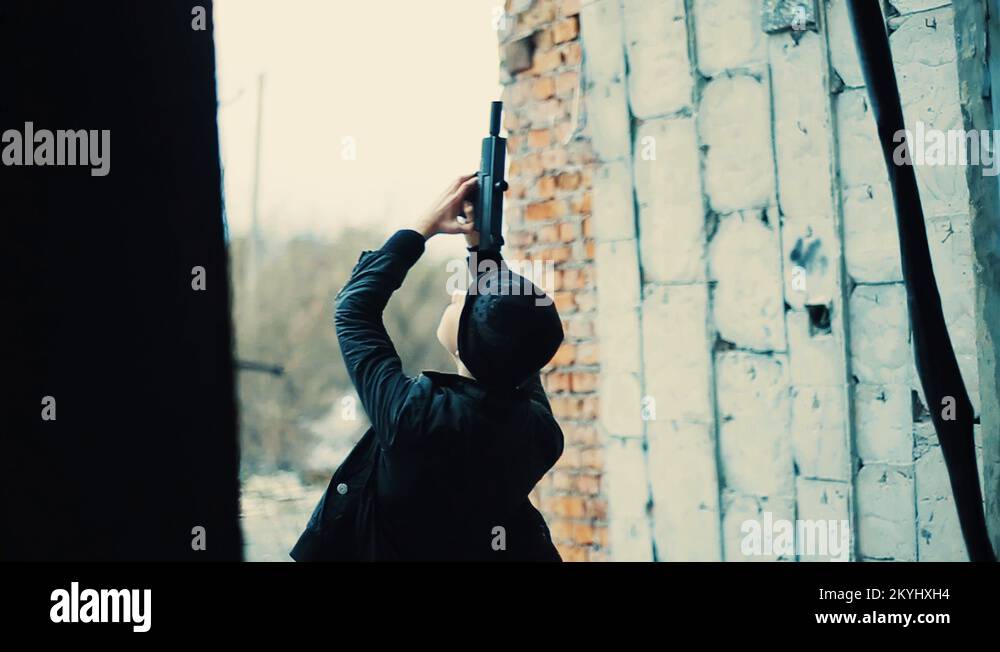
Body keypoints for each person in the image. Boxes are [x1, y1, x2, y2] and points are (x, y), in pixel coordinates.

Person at [291, 173, 566, 561]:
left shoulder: (414, 416)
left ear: (468, 342)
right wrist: (480, 246)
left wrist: (424, 226)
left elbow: (353, 309)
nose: (455, 292)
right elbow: (516, 335)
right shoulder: (539, 434)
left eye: (462, 301)